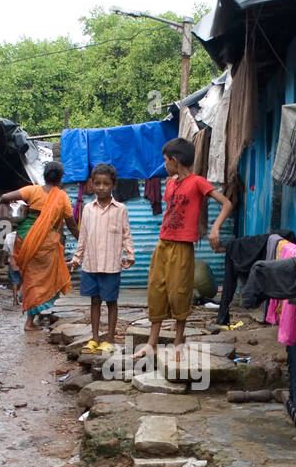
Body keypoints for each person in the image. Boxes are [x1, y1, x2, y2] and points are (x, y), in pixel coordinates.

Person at [137, 138, 233, 361]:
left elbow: (227, 203)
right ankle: (151, 343)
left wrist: (215, 228)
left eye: (166, 161)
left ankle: (178, 343)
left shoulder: (198, 182)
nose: (165, 165)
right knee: (156, 289)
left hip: (183, 246)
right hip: (163, 243)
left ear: (175, 160)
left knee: (179, 292)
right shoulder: (170, 183)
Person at [0, 161, 78, 331]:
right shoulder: (62, 197)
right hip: (46, 245)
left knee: (31, 278)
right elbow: (71, 224)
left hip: (25, 240)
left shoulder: (32, 190)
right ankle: (29, 322)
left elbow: (4, 198)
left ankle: (29, 309)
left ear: (44, 175)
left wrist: (6, 209)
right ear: (61, 178)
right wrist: (82, 240)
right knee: (43, 280)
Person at [69, 163, 134, 351]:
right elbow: (83, 236)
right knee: (94, 301)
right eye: (97, 183)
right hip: (91, 265)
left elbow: (126, 233)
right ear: (92, 184)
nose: (101, 187)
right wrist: (76, 258)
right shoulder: (88, 209)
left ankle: (110, 339)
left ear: (113, 185)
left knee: (111, 302)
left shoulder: (120, 209)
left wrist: (129, 255)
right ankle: (95, 338)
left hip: (111, 266)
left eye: (105, 184)